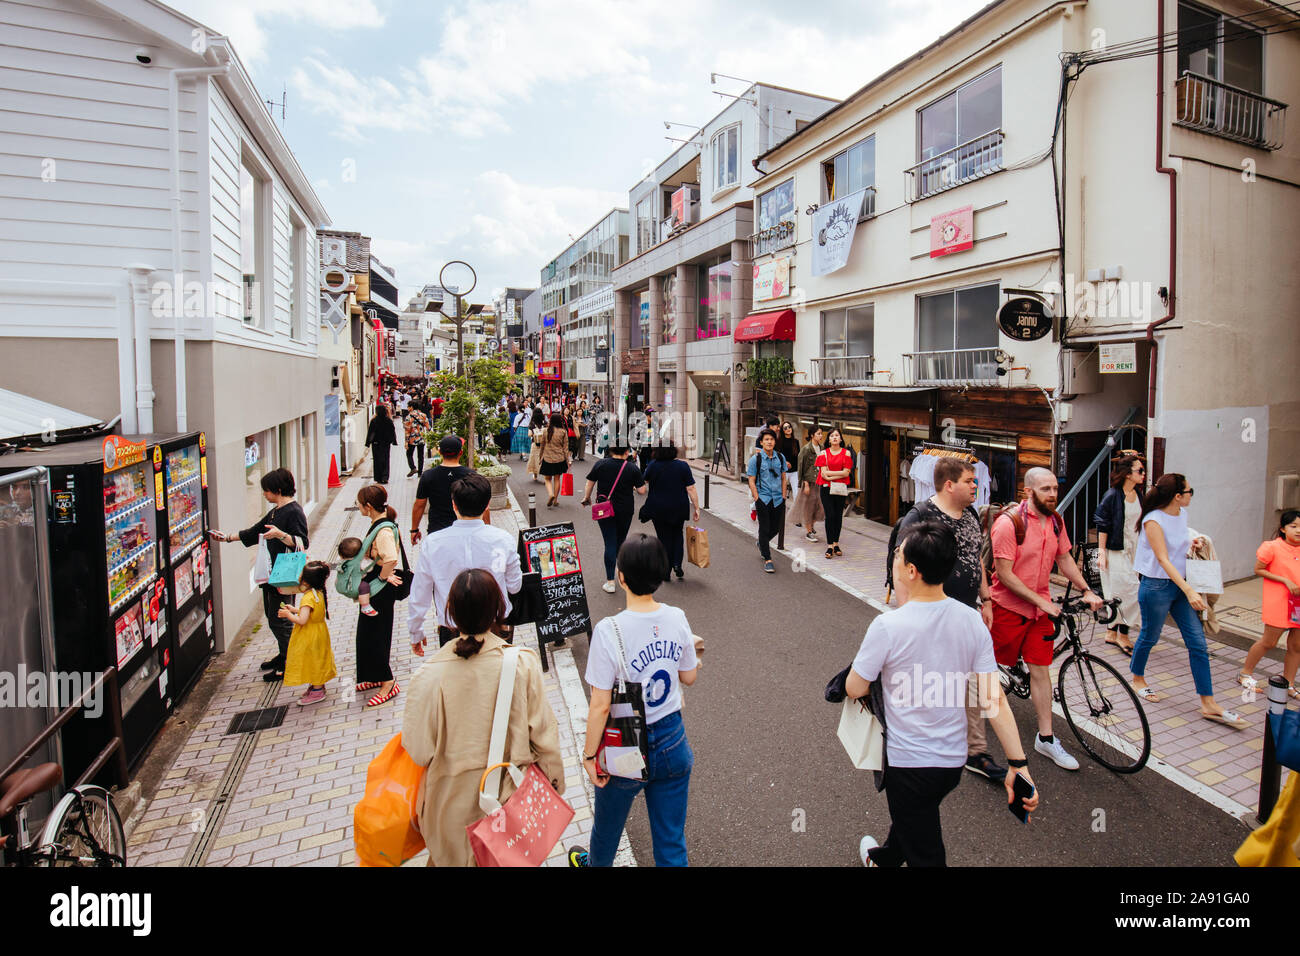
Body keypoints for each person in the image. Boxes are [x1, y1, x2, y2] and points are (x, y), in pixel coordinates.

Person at [847, 521, 1039, 867]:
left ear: (911, 570)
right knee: (917, 816)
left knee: (927, 851)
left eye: (898, 554)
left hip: (908, 764)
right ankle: (885, 858)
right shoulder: (971, 621)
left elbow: (855, 687)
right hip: (951, 761)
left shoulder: (888, 627)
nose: (895, 559)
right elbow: (993, 699)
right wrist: (1018, 764)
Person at [403, 568, 564, 867]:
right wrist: (554, 785)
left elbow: (417, 749)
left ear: (450, 612)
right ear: (498, 609)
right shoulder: (521, 664)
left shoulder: (428, 676)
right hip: (509, 801)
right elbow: (544, 736)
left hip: (448, 807)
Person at [567, 535, 698, 867]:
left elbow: (600, 705)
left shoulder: (610, 630)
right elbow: (689, 676)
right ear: (661, 573)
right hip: (672, 737)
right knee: (670, 838)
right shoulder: (677, 617)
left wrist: (588, 754)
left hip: (624, 740)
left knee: (608, 829)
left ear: (621, 575)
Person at [895, 457, 1004, 782]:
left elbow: (976, 558)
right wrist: (907, 617)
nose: (975, 485)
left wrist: (985, 599)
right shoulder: (920, 516)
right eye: (970, 480)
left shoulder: (971, 515)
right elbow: (901, 569)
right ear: (949, 485)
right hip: (928, 615)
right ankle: (916, 745)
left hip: (965, 613)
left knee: (973, 681)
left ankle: (976, 751)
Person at [988, 467, 1103, 769]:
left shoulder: (1056, 522)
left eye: (1055, 488)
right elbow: (1004, 574)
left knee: (1041, 670)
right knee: (986, 666)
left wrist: (1087, 590)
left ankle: (1046, 738)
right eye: (1045, 489)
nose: (1053, 494)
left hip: (1040, 613)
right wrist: (1042, 601)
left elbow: (1064, 559)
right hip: (1007, 609)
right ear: (1029, 491)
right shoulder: (1008, 524)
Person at [1128, 473, 1246, 728]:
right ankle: (1137, 678)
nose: (1192, 495)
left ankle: (1208, 702)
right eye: (1190, 491)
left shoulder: (1181, 514)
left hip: (1180, 586)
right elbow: (1163, 559)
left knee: (1197, 643)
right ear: (1177, 496)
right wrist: (1190, 591)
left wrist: (1194, 541)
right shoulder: (1153, 520)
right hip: (1157, 586)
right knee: (1150, 635)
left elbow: (1178, 544)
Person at [213, 467, 307, 683]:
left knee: (281, 620)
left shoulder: (293, 511)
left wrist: (281, 535)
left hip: (283, 573)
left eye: (266, 490)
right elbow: (256, 531)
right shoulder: (276, 511)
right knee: (273, 617)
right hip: (270, 572)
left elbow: (303, 541)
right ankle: (284, 655)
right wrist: (227, 538)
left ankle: (289, 663)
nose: (264, 494)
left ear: (278, 489)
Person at [409, 473, 523, 651]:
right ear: (487, 505)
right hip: (495, 623)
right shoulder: (503, 539)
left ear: (454, 505)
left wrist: (415, 630)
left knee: (457, 677)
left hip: (453, 627)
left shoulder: (433, 543)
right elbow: (515, 586)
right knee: (499, 675)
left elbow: (420, 591)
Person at [353, 484, 405, 707]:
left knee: (376, 634)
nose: (357, 507)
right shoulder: (380, 523)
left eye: (359, 503)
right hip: (376, 583)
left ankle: (388, 681)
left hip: (379, 587)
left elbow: (391, 558)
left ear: (368, 506)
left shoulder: (382, 530)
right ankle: (373, 675)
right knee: (366, 633)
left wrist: (383, 577)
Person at [1239, 510, 1300, 698]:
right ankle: (1245, 673)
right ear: (1282, 528)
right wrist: (1285, 581)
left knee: (1296, 645)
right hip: (1280, 602)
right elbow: (1258, 569)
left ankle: (1289, 683)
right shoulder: (1272, 547)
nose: (1298, 530)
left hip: (1298, 603)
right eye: (1294, 526)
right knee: (1269, 641)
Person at [1094, 453, 1146, 655]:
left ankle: (1111, 631)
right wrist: (1101, 552)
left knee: (1120, 593)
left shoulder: (1139, 495)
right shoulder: (1112, 496)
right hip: (1116, 551)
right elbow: (1102, 524)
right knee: (1130, 592)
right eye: (1139, 470)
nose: (1143, 474)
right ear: (1127, 474)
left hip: (1134, 550)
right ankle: (1123, 634)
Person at [581, 441, 648, 593]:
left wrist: (587, 497)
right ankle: (623, 575)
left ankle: (610, 582)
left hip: (604, 510)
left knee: (609, 542)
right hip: (625, 510)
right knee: (621, 541)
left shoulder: (601, 464)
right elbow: (642, 491)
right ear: (626, 451)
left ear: (611, 450)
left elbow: (590, 482)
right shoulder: (632, 468)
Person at [277, 560, 337, 706]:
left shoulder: (308, 597)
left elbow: (302, 620)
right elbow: (311, 612)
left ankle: (317, 691)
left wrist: (288, 615)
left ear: (307, 580)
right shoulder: (319, 592)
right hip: (319, 631)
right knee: (317, 658)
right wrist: (294, 609)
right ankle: (318, 686)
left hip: (309, 635)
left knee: (311, 660)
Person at [642, 442, 701, 581]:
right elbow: (691, 488)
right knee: (677, 535)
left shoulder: (653, 465)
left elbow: (643, 482)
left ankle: (666, 570)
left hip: (658, 507)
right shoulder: (682, 466)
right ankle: (677, 564)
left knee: (663, 538)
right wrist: (697, 507)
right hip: (678, 506)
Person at [411, 436, 475, 544]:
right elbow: (482, 506)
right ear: (461, 452)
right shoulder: (471, 475)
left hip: (437, 530)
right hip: (465, 531)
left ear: (440, 452)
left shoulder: (428, 476)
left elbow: (419, 505)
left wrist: (414, 529)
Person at [747, 428, 788, 574]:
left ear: (774, 441)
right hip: (763, 499)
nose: (769, 442)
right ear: (762, 442)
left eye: (771, 439)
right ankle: (768, 559)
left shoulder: (780, 457)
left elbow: (784, 477)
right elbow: (751, 480)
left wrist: (784, 496)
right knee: (764, 528)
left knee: (776, 528)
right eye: (766, 440)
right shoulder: (755, 459)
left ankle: (761, 543)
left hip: (778, 499)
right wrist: (756, 497)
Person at [816, 428, 853, 560]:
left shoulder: (847, 453)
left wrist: (830, 476)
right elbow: (823, 473)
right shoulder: (823, 453)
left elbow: (846, 472)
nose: (835, 437)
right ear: (829, 439)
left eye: (837, 435)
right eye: (832, 436)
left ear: (841, 439)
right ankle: (830, 545)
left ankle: (836, 544)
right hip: (826, 489)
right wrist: (837, 474)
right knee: (830, 515)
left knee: (838, 516)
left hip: (840, 488)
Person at [795, 426, 824, 542]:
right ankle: (808, 531)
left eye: (821, 433)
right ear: (812, 435)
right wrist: (804, 484)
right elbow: (802, 467)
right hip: (809, 482)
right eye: (818, 434)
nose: (821, 436)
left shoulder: (822, 448)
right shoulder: (806, 449)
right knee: (808, 507)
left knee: (819, 507)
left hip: (820, 482)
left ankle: (811, 526)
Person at [539, 412, 572, 508]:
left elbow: (542, 445)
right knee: (557, 479)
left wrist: (540, 457)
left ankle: (550, 494)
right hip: (559, 458)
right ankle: (556, 500)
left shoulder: (546, 431)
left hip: (547, 458)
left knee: (547, 479)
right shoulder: (563, 432)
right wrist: (568, 460)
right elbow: (566, 448)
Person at [365, 404, 398, 484]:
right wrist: (394, 441)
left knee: (376, 460)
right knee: (386, 459)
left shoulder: (374, 421)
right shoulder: (388, 420)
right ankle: (385, 476)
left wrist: (368, 443)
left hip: (376, 443)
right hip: (386, 443)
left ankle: (378, 477)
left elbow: (370, 432)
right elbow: (392, 431)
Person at [404, 404, 430, 478]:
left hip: (412, 439)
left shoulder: (408, 417)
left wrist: (406, 442)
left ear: (411, 407)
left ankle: (413, 468)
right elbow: (428, 427)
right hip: (421, 438)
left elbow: (407, 430)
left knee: (409, 454)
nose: (407, 408)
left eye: (408, 406)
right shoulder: (423, 415)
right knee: (420, 456)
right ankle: (420, 473)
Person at [777, 421, 800, 500]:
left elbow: (798, 456)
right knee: (781, 492)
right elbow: (777, 455)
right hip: (783, 471)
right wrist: (784, 462)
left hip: (794, 471)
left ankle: (796, 510)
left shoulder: (796, 441)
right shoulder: (779, 441)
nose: (788, 429)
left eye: (789, 427)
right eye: (785, 428)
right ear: (782, 430)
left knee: (796, 492)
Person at [526, 407, 546, 482]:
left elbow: (529, 434)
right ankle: (545, 476)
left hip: (535, 443)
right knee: (543, 460)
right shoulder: (544, 422)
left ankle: (535, 475)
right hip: (544, 445)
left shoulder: (532, 423)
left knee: (534, 459)